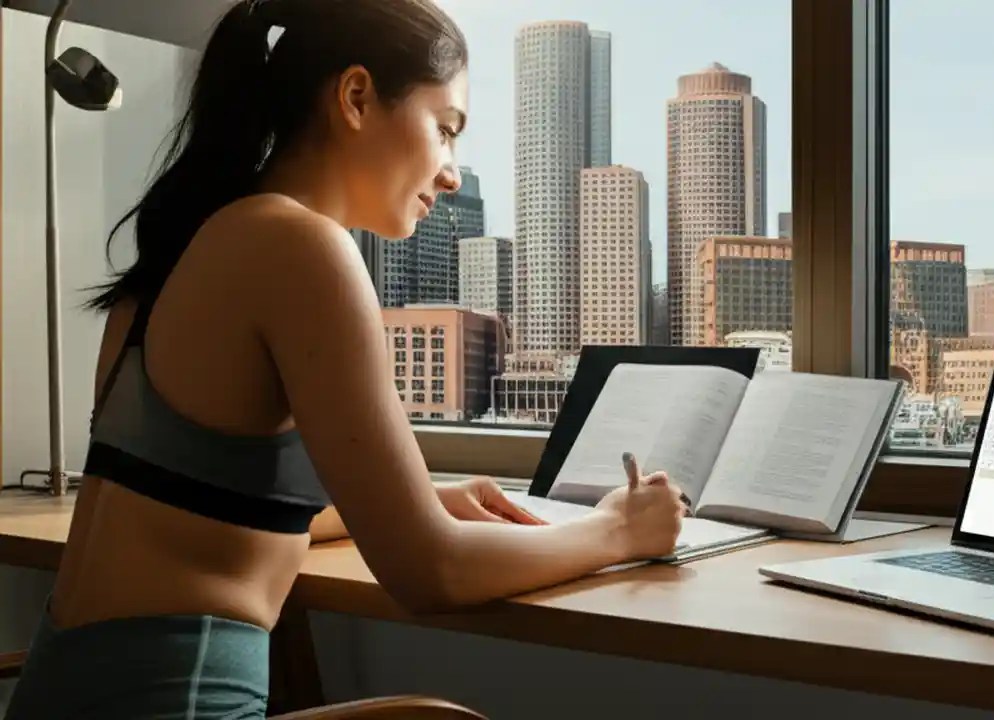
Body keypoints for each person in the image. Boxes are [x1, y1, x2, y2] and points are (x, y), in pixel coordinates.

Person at [3, 1, 686, 718]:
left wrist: (413, 506)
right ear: (356, 97)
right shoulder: (303, 250)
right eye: (445, 130)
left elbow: (202, 502)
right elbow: (431, 572)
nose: (452, 173)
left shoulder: (182, 247)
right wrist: (620, 530)